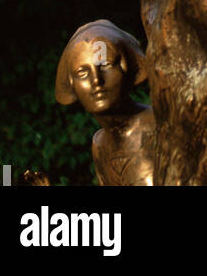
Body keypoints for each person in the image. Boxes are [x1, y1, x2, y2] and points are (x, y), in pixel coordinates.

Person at [55, 20, 154, 186]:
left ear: (125, 67)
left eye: (105, 65)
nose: (96, 80)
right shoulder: (100, 145)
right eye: (82, 72)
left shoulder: (162, 124)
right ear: (72, 84)